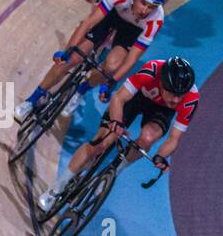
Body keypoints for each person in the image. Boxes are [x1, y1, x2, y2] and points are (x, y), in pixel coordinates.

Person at [37, 55, 198, 212]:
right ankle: (56, 189)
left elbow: (174, 138)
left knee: (148, 138)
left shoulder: (190, 99)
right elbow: (119, 98)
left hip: (161, 111)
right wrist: (116, 122)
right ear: (162, 83)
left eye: (180, 95)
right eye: (173, 93)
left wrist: (161, 156)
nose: (177, 100)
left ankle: (116, 169)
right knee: (101, 142)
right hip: (135, 98)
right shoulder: (151, 70)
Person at [14, 0, 167, 123]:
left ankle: (81, 90)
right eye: (143, 2)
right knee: (72, 58)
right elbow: (88, 23)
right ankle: (32, 100)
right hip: (113, 15)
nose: (145, 10)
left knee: (112, 67)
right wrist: (67, 51)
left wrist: (111, 82)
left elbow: (132, 58)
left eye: (151, 7)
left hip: (131, 30)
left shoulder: (156, 19)